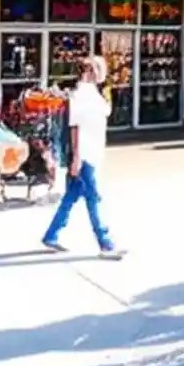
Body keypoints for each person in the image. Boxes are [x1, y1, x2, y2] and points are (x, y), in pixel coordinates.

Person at [42, 56, 125, 260]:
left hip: (92, 150)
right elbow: (75, 126)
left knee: (72, 196)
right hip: (85, 153)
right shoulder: (81, 95)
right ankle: (105, 242)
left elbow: (105, 112)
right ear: (88, 71)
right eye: (99, 69)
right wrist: (77, 157)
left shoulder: (94, 93)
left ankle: (52, 234)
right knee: (93, 196)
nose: (103, 73)